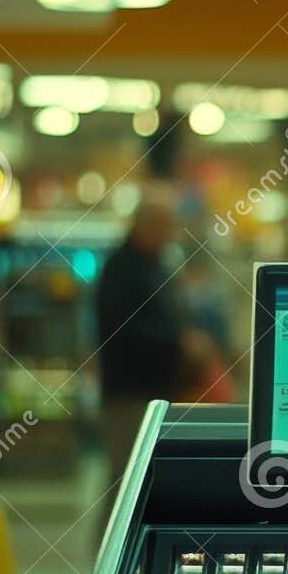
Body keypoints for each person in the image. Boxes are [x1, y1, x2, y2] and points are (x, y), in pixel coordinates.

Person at [94, 191, 191, 497]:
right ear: (144, 226)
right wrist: (177, 341)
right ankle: (112, 545)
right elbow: (122, 329)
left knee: (144, 480)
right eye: (164, 227)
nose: (168, 235)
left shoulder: (155, 264)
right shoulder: (121, 268)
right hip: (129, 394)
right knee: (126, 480)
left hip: (154, 389)